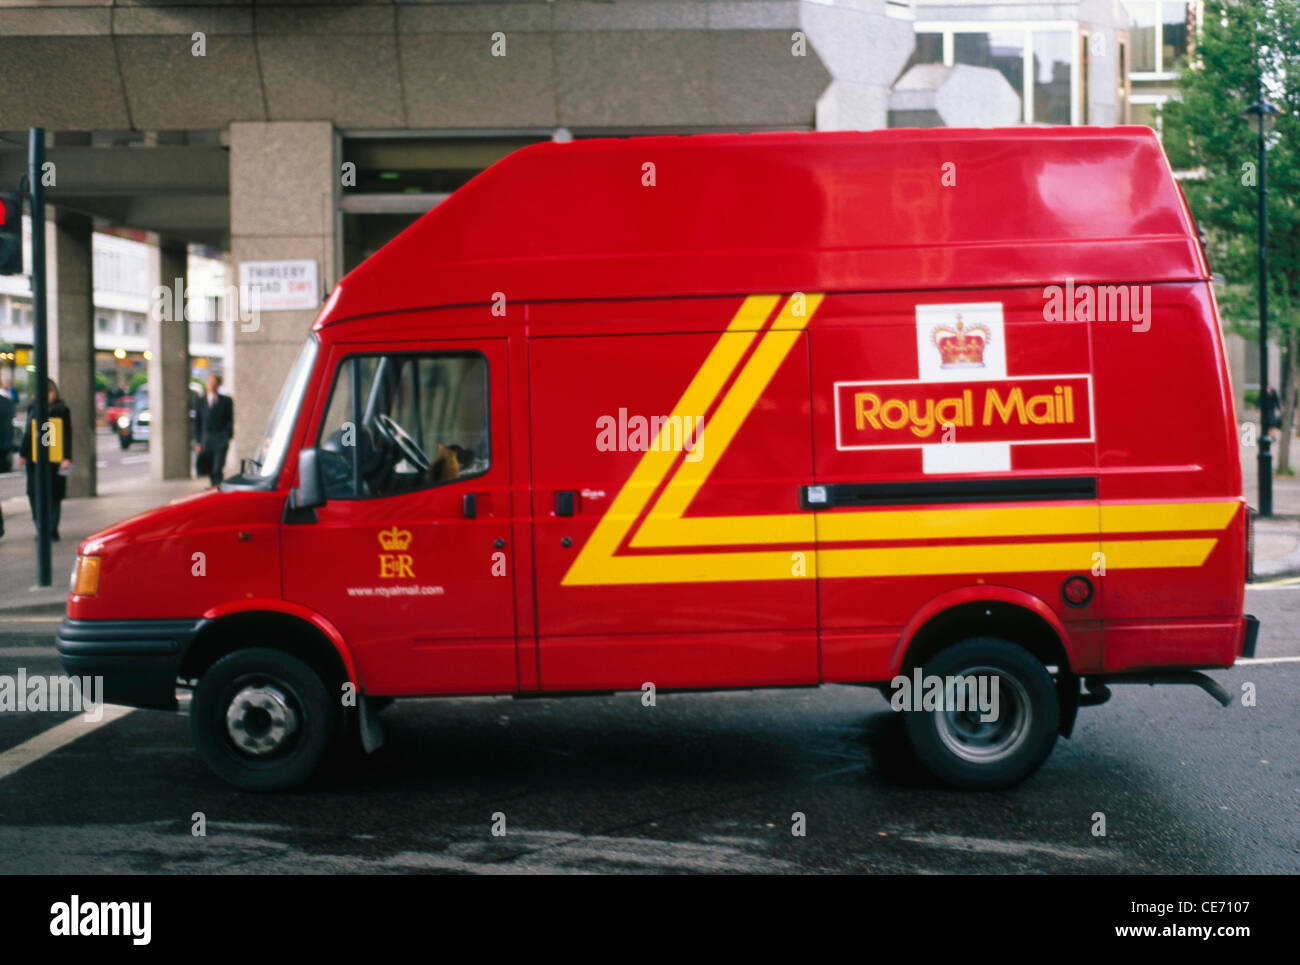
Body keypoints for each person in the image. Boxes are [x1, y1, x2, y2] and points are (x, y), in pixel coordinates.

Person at [18, 378, 72, 542]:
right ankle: (43, 529)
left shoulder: (61, 409)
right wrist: (22, 453)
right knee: (35, 494)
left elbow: (66, 434)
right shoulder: (34, 408)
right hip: (35, 460)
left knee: (52, 495)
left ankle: (50, 529)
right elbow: (29, 432)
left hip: (53, 460)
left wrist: (67, 457)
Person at [194, 373, 234, 486]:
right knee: (210, 469)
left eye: (214, 383)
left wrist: (228, 436)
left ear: (218, 385)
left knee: (218, 469)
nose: (212, 385)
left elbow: (230, 420)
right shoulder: (200, 401)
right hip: (206, 440)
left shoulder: (226, 401)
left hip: (221, 439)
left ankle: (219, 489)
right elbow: (197, 422)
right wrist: (198, 442)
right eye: (210, 382)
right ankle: (214, 489)